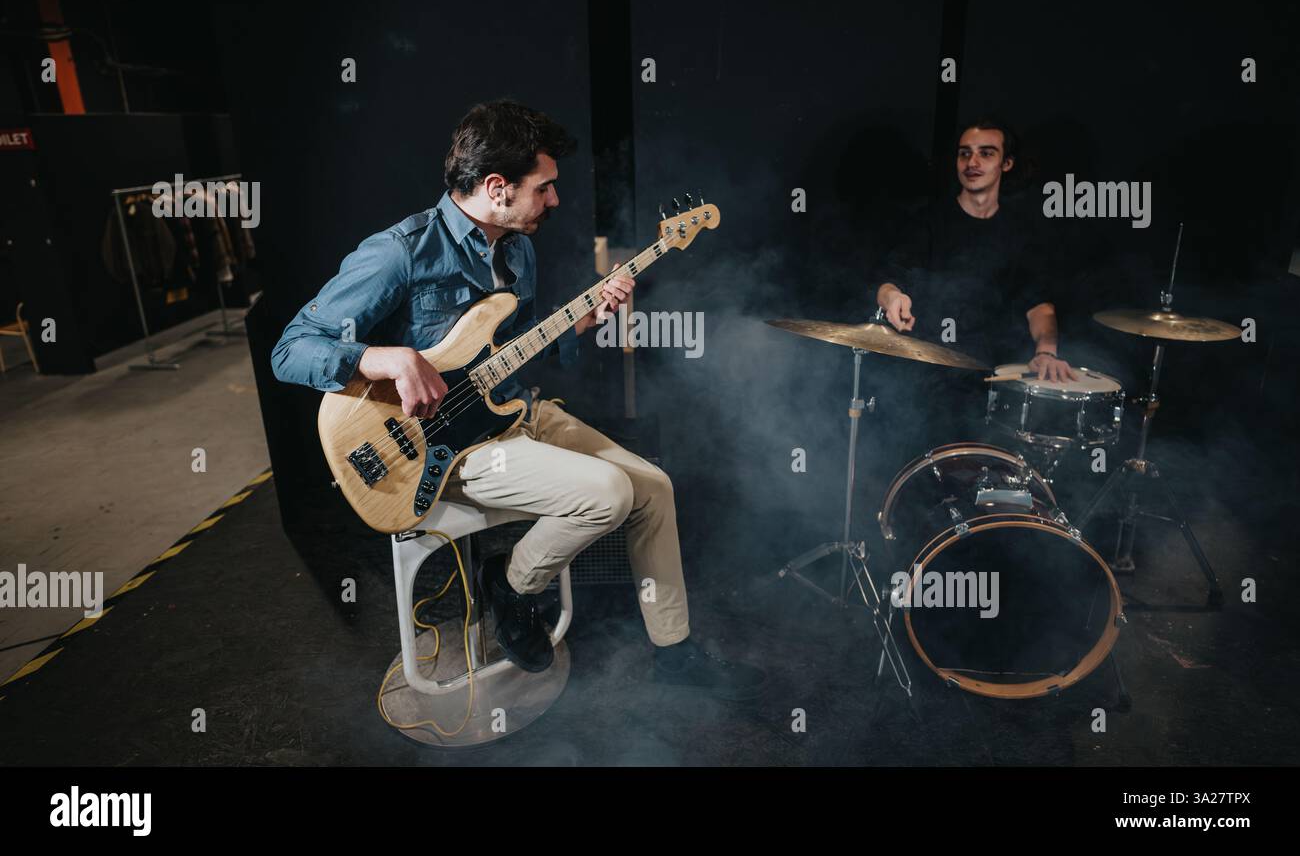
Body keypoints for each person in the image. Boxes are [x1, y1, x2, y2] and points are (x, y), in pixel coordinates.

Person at [272, 99, 764, 701]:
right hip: (438, 449)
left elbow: (523, 346)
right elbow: (291, 349)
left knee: (653, 487)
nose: (555, 201)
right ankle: (510, 586)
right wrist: (391, 359)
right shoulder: (401, 251)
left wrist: (587, 318)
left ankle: (673, 649)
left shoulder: (518, 248)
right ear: (498, 187)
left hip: (511, 413)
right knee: (608, 494)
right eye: (546, 188)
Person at [871, 118, 1080, 443]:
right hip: (923, 379)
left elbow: (1039, 306)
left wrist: (1047, 351)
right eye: (964, 154)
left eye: (986, 153)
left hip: (989, 382)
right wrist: (892, 297)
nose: (972, 163)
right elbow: (889, 282)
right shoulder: (929, 220)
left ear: (1006, 163)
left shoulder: (1020, 232)